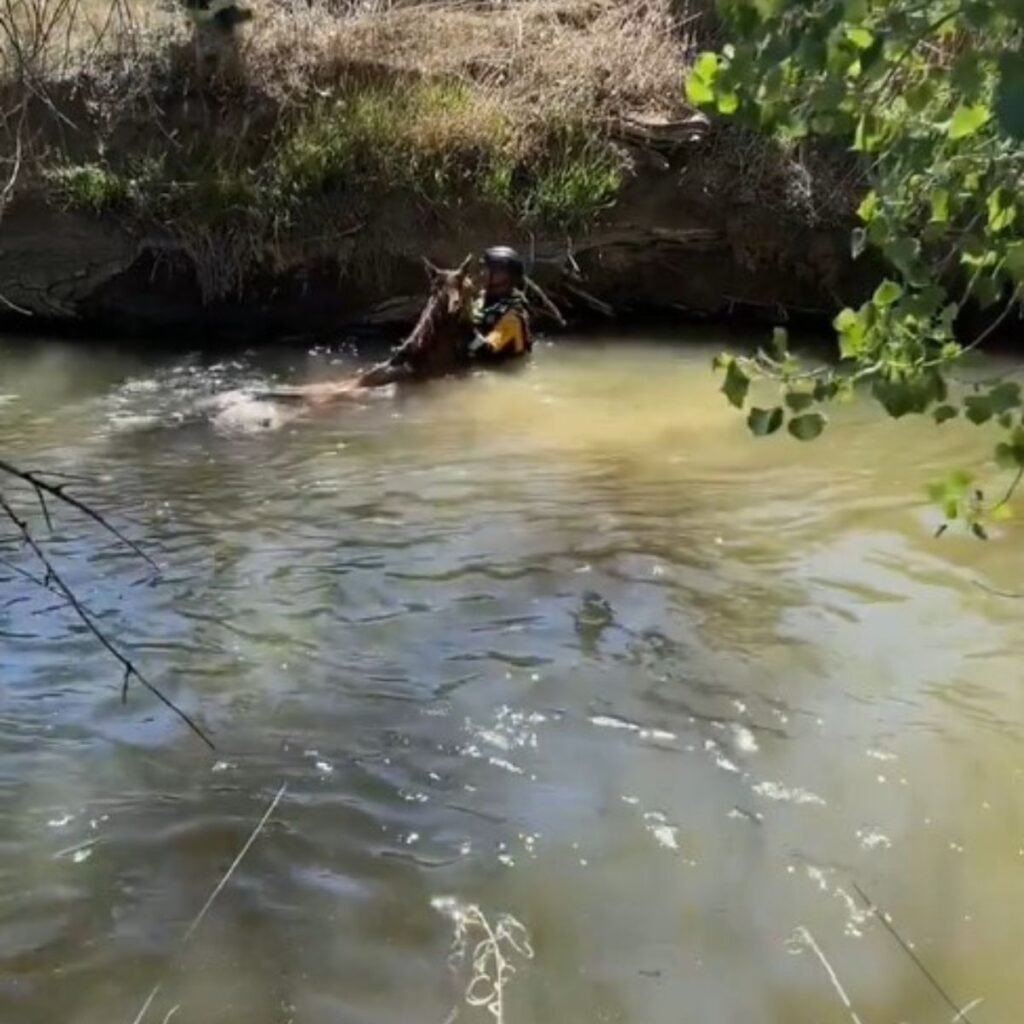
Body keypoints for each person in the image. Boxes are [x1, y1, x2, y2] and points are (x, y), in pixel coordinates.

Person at [465, 246, 533, 363]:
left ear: (503, 276)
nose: (482, 273)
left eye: (487, 269)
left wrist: (464, 328)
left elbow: (486, 350)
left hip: (501, 367)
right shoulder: (483, 299)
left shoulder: (513, 317)